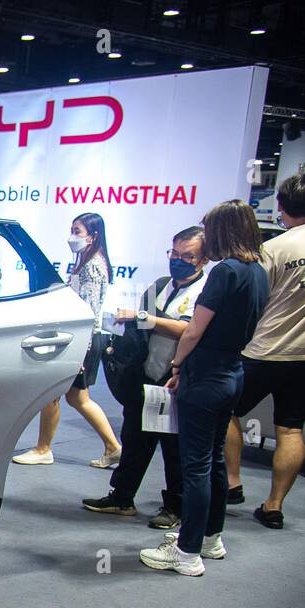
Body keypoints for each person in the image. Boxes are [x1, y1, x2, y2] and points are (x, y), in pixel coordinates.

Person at [140, 200, 267, 576]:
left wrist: (177, 365)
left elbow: (195, 328)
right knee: (213, 461)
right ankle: (211, 537)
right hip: (232, 372)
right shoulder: (256, 270)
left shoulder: (225, 271)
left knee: (195, 465)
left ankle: (187, 552)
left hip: (206, 376)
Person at [83, 226, 209, 528]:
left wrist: (146, 318)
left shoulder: (204, 293)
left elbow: (190, 330)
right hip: (145, 376)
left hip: (177, 379)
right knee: (135, 438)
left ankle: (175, 506)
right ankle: (121, 496)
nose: (177, 260)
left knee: (173, 447)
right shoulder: (159, 285)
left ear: (203, 259)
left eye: (187, 256)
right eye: (174, 253)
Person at [224, 172, 305, 529]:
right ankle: (274, 506)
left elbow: (257, 299)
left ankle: (232, 483)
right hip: (302, 358)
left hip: (263, 349)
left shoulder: (276, 248)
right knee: (290, 430)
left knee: (226, 411)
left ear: (283, 206)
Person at [13, 212, 123, 467]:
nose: (72, 236)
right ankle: (112, 447)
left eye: (78, 231)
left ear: (93, 236)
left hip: (81, 340)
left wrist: (80, 351)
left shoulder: (94, 265)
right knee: (76, 398)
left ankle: (44, 449)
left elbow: (90, 311)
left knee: (54, 394)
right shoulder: (86, 261)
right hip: (80, 339)